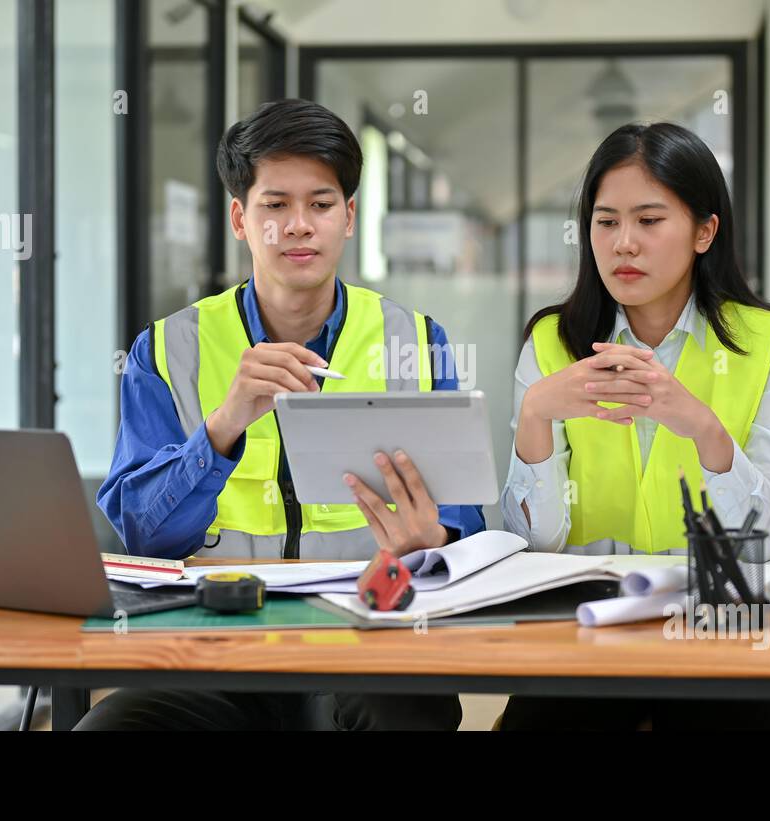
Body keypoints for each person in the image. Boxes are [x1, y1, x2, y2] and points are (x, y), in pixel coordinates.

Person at [76, 99, 484, 730]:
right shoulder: (166, 349)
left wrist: (432, 545)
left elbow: (463, 531)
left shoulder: (417, 342)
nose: (299, 225)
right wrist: (221, 427)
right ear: (240, 218)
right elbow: (143, 536)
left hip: (365, 640)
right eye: (275, 205)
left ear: (349, 218)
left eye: (321, 205)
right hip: (212, 654)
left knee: (405, 713)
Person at [498, 122, 770, 731]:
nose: (623, 244)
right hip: (580, 634)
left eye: (649, 220)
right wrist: (535, 415)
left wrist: (701, 427)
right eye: (606, 221)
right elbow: (537, 546)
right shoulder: (550, 344)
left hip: (724, 632)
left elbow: (766, 538)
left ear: (704, 231)